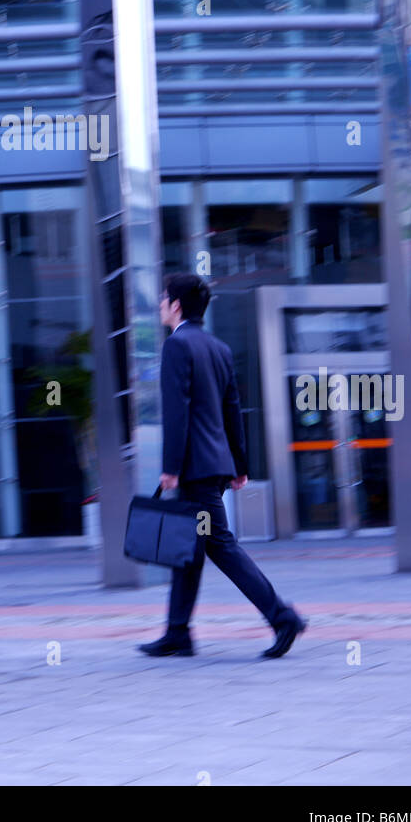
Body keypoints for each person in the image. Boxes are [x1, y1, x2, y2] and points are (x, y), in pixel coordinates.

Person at [139, 272, 307, 660]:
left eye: (164, 298)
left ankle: (282, 617)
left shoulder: (177, 346)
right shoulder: (218, 347)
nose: (161, 304)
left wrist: (170, 467)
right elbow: (233, 410)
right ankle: (177, 632)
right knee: (190, 546)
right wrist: (239, 464)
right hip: (214, 466)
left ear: (176, 305)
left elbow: (176, 411)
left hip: (195, 471)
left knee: (218, 544)